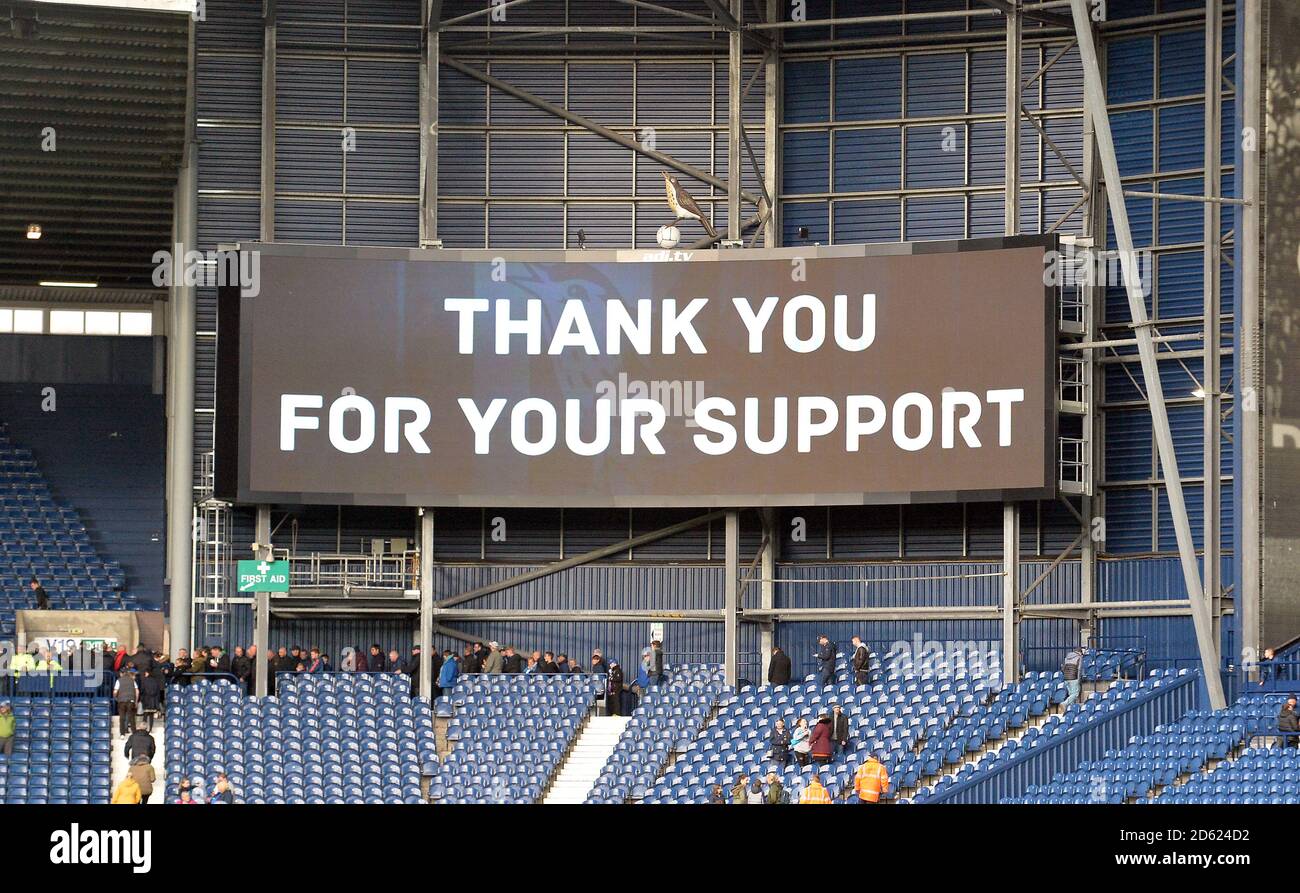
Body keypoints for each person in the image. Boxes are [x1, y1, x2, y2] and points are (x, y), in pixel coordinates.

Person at [113, 669, 137, 736]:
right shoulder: (132, 680)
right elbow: (137, 691)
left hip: (122, 701)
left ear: (121, 673)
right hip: (131, 701)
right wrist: (135, 701)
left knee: (122, 718)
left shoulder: (119, 680)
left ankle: (122, 734)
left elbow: (115, 692)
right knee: (132, 717)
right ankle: (134, 732)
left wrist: (116, 698)